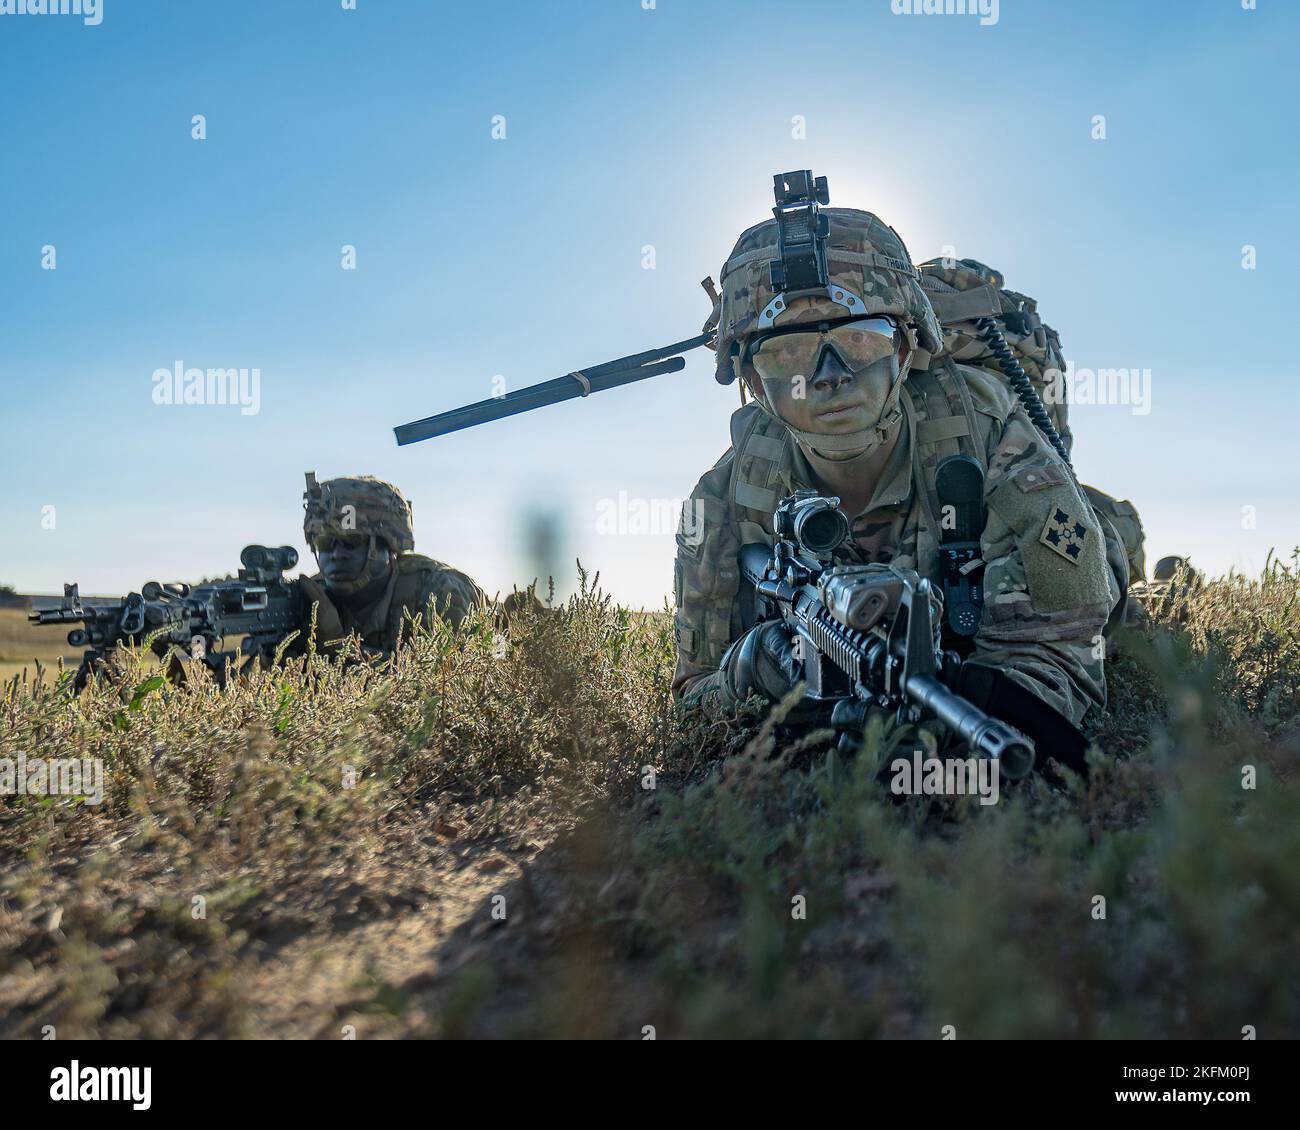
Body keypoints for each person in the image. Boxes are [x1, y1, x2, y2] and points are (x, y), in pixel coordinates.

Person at [673, 193, 1121, 731]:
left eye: (859, 341)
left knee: (1109, 546)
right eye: (787, 352)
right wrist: (750, 674)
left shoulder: (991, 436)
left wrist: (955, 732)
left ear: (905, 352)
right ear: (751, 381)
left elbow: (1059, 657)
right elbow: (694, 696)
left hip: (1000, 605)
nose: (828, 376)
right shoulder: (724, 501)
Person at [297, 472, 486, 657]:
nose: (337, 555)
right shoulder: (308, 599)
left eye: (353, 541)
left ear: (388, 546)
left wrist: (337, 648)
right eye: (324, 543)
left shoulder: (440, 592)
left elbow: (442, 680)